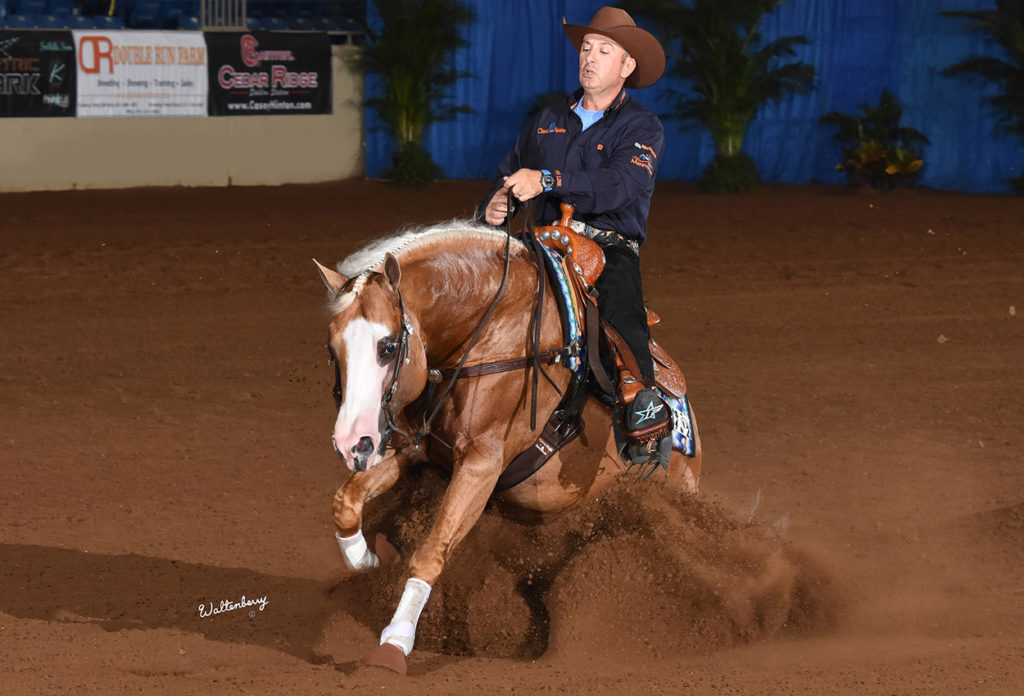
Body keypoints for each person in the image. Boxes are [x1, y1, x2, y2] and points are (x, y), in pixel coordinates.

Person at [477, 6, 672, 468]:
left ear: (627, 68)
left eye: (605, 51)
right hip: (540, 243)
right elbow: (509, 176)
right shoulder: (547, 118)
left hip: (606, 246)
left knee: (620, 307)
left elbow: (619, 186)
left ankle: (640, 402)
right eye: (586, 48)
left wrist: (546, 179)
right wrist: (494, 207)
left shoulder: (642, 129)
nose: (590, 57)